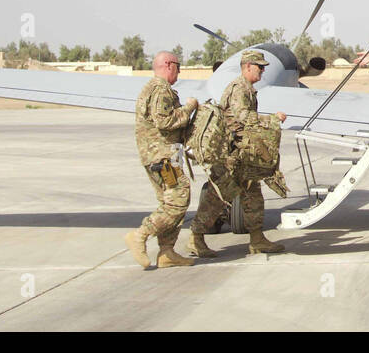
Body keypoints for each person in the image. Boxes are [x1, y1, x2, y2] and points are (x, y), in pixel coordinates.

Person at [189, 49, 289, 257]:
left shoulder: (248, 89)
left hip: (243, 155)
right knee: (217, 197)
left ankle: (257, 239)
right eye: (259, 67)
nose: (262, 71)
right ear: (248, 67)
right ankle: (195, 237)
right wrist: (272, 119)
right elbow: (243, 117)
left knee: (253, 197)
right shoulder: (239, 89)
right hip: (231, 155)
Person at [124, 51, 198, 269]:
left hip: (155, 156)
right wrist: (189, 107)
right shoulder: (161, 90)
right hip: (164, 159)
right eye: (178, 65)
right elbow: (165, 121)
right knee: (179, 199)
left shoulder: (149, 89)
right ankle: (140, 235)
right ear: (168, 65)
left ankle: (167, 252)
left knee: (168, 202)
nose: (180, 70)